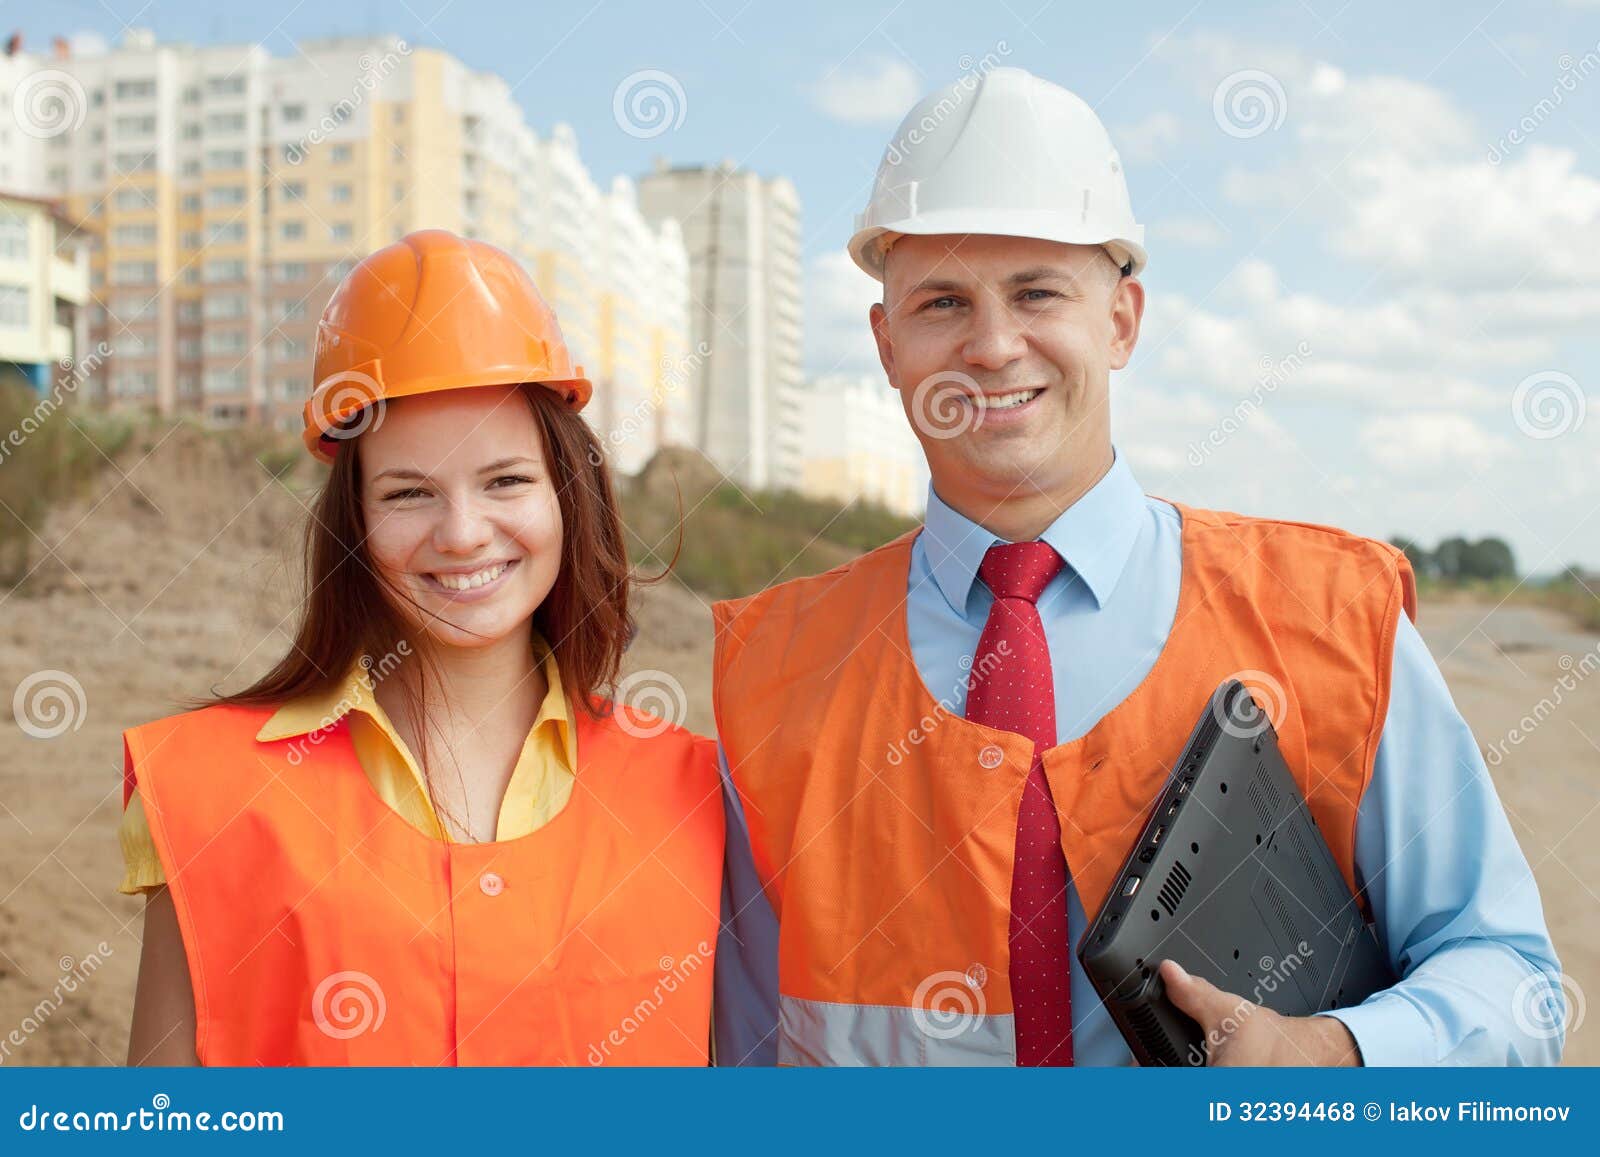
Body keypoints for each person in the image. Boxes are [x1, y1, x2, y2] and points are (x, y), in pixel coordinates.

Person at [710, 68, 1564, 1067]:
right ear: (886, 341)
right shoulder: (773, 668)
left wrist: (1332, 1052)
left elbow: (1513, 982)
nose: (992, 345)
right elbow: (741, 1050)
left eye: (1037, 292)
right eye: (942, 302)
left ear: (1121, 321)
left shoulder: (1331, 618)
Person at [119, 230, 722, 1066]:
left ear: (567, 493)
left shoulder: (700, 796)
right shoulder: (208, 792)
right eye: (409, 493)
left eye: (505, 480)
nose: (464, 533)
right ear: (355, 522)